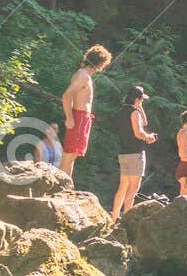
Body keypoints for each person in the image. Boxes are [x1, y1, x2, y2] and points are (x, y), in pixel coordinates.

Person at [60, 44, 112, 178]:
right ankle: (58, 186)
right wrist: (70, 118)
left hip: (83, 118)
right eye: (103, 64)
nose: (103, 67)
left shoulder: (85, 75)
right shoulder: (83, 75)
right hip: (78, 116)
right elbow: (66, 95)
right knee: (69, 154)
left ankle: (65, 186)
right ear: (99, 62)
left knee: (73, 155)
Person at [110, 86, 158, 222]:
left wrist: (138, 106)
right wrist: (149, 137)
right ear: (137, 99)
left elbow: (145, 122)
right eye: (141, 99)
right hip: (136, 153)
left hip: (123, 152)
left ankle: (114, 217)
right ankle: (126, 218)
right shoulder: (134, 113)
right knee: (133, 188)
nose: (142, 102)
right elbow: (138, 132)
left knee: (123, 186)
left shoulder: (122, 111)